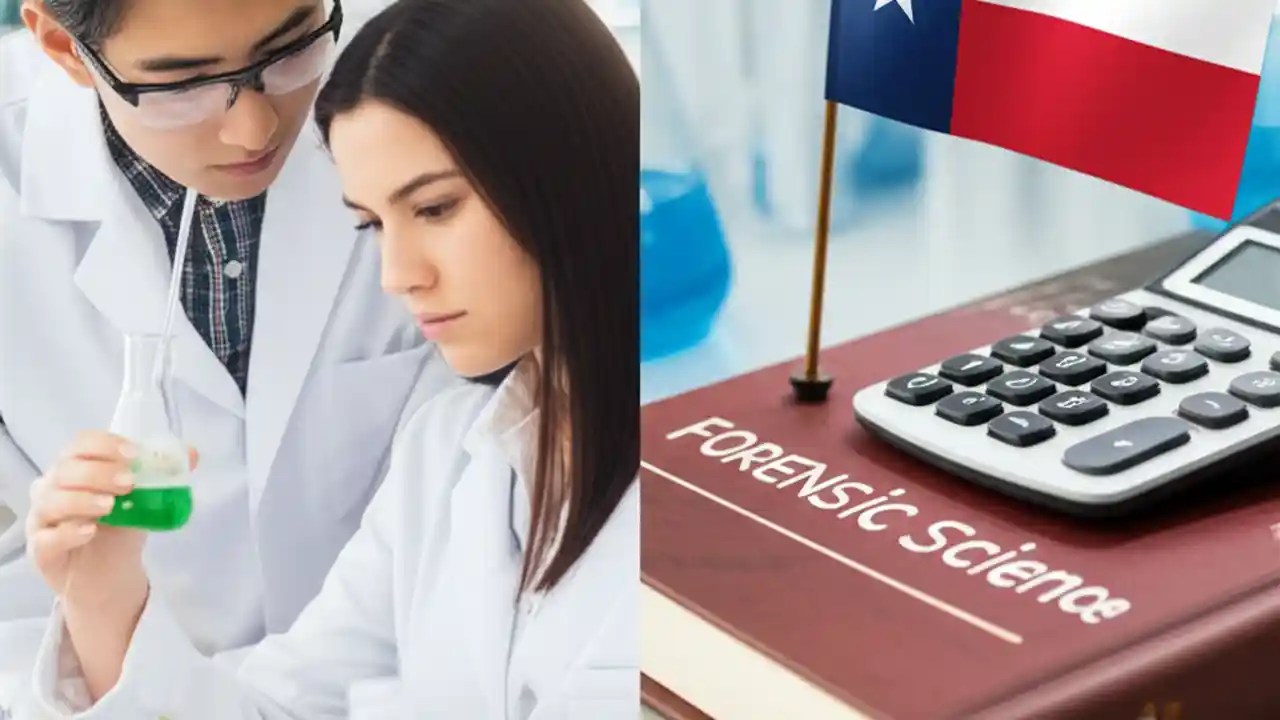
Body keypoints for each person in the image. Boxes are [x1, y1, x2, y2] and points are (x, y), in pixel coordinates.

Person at [18, 0, 640, 716]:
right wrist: (102, 599)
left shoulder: (673, 479)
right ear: (65, 50)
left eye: (435, 209)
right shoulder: (447, 453)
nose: (396, 275)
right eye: (371, 223)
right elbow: (284, 706)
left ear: (571, 165)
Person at [0, 0, 458, 708]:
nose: (255, 129)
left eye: (292, 48)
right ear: (64, 47)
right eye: (183, 85)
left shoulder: (436, 76)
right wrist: (103, 638)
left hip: (405, 678)